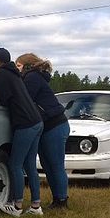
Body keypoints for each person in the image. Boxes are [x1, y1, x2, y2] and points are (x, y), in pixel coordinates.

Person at [0, 47, 43, 216]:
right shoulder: (14, 74)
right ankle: (35, 206)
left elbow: (3, 100)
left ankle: (16, 206)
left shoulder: (2, 74)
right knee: (30, 165)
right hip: (36, 121)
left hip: (25, 124)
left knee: (15, 164)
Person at [17, 53, 70, 209]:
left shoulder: (31, 78)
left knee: (56, 164)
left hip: (55, 125)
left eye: (18, 66)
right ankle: (57, 198)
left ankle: (62, 200)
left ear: (27, 66)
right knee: (48, 165)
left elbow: (25, 99)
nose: (17, 69)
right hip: (47, 126)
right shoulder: (33, 77)